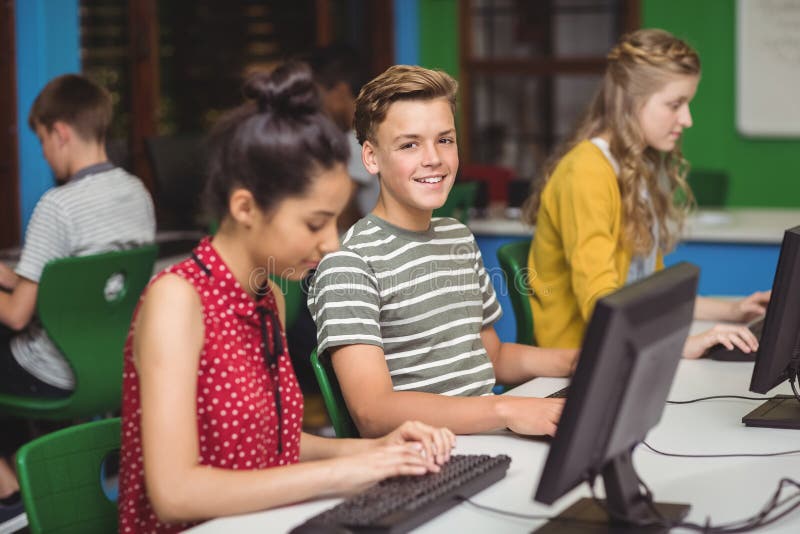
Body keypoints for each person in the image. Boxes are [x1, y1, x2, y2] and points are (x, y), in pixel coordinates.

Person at [118, 62, 455, 533]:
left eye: (335, 221)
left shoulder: (267, 295)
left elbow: (272, 447)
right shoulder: (177, 301)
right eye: (315, 223)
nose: (331, 243)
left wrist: (378, 451)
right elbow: (175, 495)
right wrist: (345, 473)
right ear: (245, 207)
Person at [307, 65, 577, 440]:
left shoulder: (457, 237)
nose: (433, 158)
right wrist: (506, 409)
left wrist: (577, 361)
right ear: (371, 157)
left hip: (486, 437)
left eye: (445, 140)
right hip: (429, 454)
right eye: (409, 144)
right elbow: (373, 412)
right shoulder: (349, 264)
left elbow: (493, 358)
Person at [522, 29, 769, 358]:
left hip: (623, 351)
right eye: (675, 104)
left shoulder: (632, 171)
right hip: (577, 364)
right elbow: (601, 305)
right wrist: (682, 345)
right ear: (631, 101)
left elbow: (649, 292)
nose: (687, 119)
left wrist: (733, 311)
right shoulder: (586, 173)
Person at [0, 73, 155, 529]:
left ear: (61, 132)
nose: (44, 154)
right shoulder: (137, 192)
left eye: (42, 141)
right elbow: (85, 284)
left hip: (54, 371)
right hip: (115, 365)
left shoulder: (58, 205)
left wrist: (13, 290)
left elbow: (16, 315)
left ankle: (9, 496)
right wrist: (12, 277)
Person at [307, 44, 380, 229]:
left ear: (340, 91)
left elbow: (336, 213)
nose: (318, 104)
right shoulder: (376, 128)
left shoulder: (358, 140)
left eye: (320, 95)